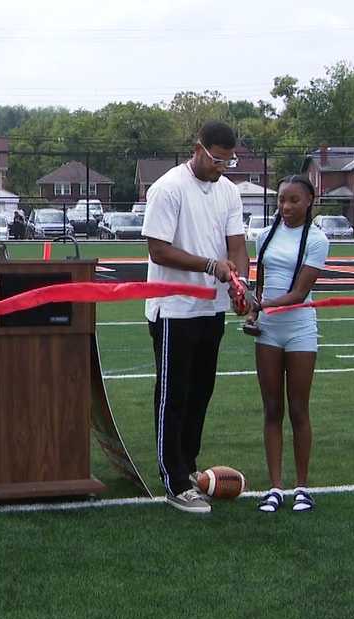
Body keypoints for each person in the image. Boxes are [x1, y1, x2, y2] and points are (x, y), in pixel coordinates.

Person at [143, 121, 249, 514]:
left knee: (201, 391)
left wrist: (241, 282)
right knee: (174, 393)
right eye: (216, 158)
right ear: (198, 148)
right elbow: (159, 250)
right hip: (173, 307)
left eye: (228, 160)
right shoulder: (169, 188)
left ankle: (188, 467)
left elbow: (237, 245)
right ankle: (172, 479)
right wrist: (210, 266)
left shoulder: (229, 192)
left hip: (211, 308)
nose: (222, 166)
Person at [246, 176, 329, 513]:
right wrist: (252, 308)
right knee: (271, 410)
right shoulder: (264, 237)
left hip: (299, 329)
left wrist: (261, 305)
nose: (286, 207)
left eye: (294, 200)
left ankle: (302, 487)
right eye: (282, 200)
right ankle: (275, 487)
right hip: (268, 330)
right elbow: (261, 284)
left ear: (310, 201)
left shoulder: (318, 239)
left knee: (298, 409)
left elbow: (298, 293)